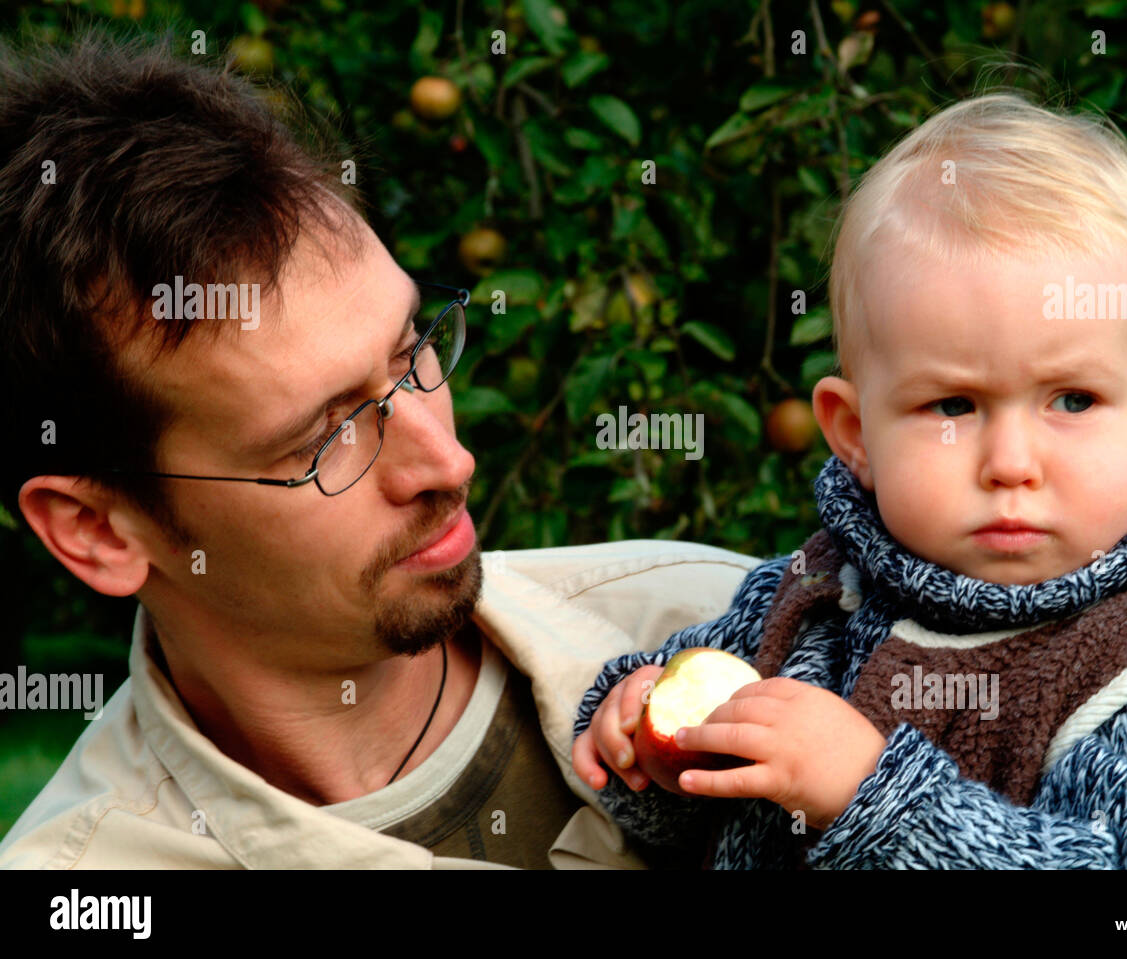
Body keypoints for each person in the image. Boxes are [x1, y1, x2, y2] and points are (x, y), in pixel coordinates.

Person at [0, 30, 755, 869]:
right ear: (96, 529)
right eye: (323, 435)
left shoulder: (734, 630)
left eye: (411, 352)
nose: (447, 463)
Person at [572, 92, 1127, 869]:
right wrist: (637, 740)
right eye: (954, 404)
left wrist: (875, 798)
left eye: (1073, 400)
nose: (1011, 462)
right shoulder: (814, 594)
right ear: (856, 434)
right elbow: (678, 808)